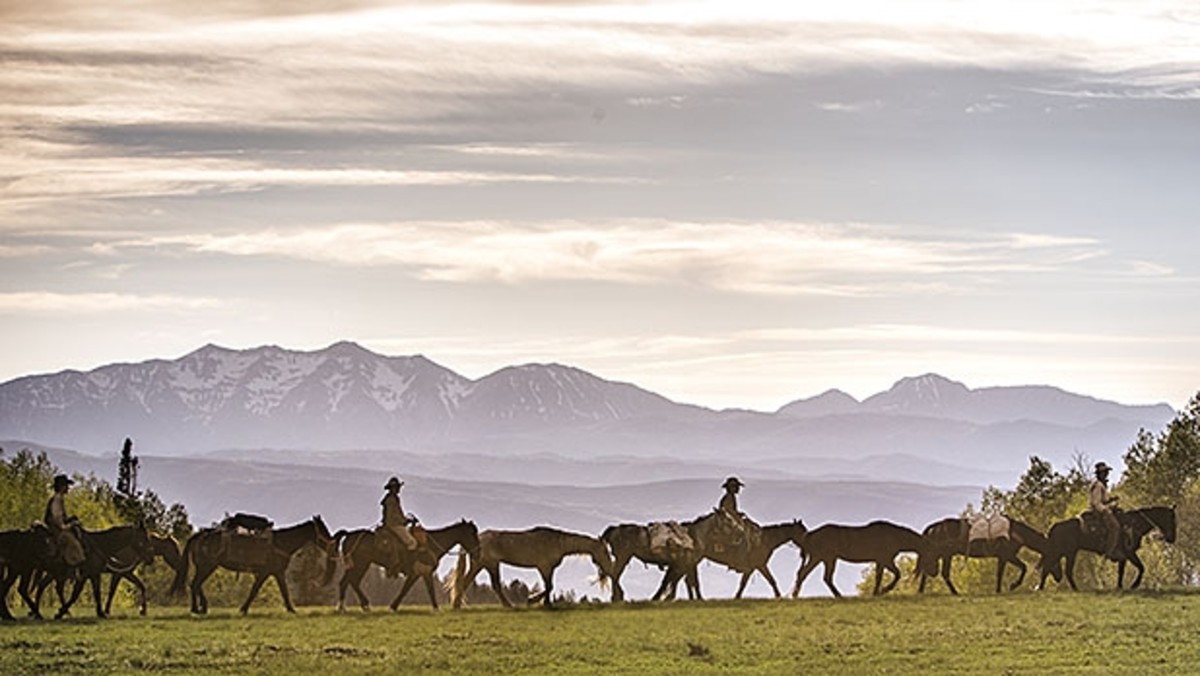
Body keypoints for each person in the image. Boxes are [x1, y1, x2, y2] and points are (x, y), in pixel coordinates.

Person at [44, 474, 85, 566]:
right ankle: (73, 563)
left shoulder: (59, 499)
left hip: (57, 526)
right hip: (56, 529)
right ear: (62, 487)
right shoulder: (56, 500)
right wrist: (68, 525)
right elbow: (57, 518)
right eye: (66, 486)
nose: (68, 488)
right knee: (72, 543)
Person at [1089, 462, 1122, 557]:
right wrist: (1106, 509)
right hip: (1098, 511)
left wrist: (1111, 499)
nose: (1106, 474)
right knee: (1115, 527)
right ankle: (1109, 552)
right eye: (1104, 472)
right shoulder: (1098, 485)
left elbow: (1104, 500)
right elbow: (1096, 503)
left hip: (1101, 509)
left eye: (1106, 472)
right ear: (1099, 474)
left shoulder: (1102, 485)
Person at [380, 476, 418, 551]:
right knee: (412, 542)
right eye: (397, 487)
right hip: (394, 524)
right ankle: (407, 560)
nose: (398, 489)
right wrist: (404, 521)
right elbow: (393, 515)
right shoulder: (391, 500)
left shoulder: (392, 498)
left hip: (394, 523)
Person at [717, 476, 748, 545]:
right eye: (735, 486)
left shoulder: (731, 497)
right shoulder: (729, 497)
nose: (738, 489)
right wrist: (737, 514)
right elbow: (728, 510)